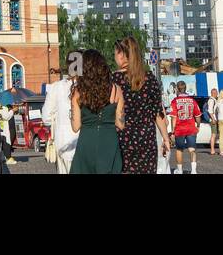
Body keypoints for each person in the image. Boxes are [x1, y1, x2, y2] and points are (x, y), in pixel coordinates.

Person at [112, 37, 170, 174]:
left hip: (121, 140)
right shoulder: (149, 78)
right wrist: (166, 138)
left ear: (121, 55)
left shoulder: (113, 80)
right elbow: (158, 113)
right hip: (146, 142)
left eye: (115, 53)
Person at [70, 49, 124, 174]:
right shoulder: (116, 90)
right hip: (109, 141)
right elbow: (120, 124)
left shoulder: (78, 93)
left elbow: (75, 126)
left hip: (87, 141)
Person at [42, 66, 78, 173]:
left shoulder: (56, 87)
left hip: (63, 143)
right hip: (86, 144)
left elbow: (46, 118)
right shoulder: (90, 86)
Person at [167, 81, 202, 174]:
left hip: (179, 129)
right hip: (191, 128)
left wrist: (173, 131)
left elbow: (173, 118)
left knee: (179, 150)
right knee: (192, 149)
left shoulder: (174, 101)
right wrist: (198, 125)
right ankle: (194, 170)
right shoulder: (193, 101)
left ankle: (179, 170)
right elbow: (198, 116)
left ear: (177, 89)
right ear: (185, 88)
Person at [206, 89, 219, 155]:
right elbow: (210, 111)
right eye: (216, 92)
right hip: (213, 119)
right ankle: (212, 150)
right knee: (213, 135)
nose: (217, 94)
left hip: (213, 119)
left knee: (214, 134)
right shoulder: (211, 100)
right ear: (213, 93)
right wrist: (213, 119)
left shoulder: (213, 100)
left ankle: (212, 150)